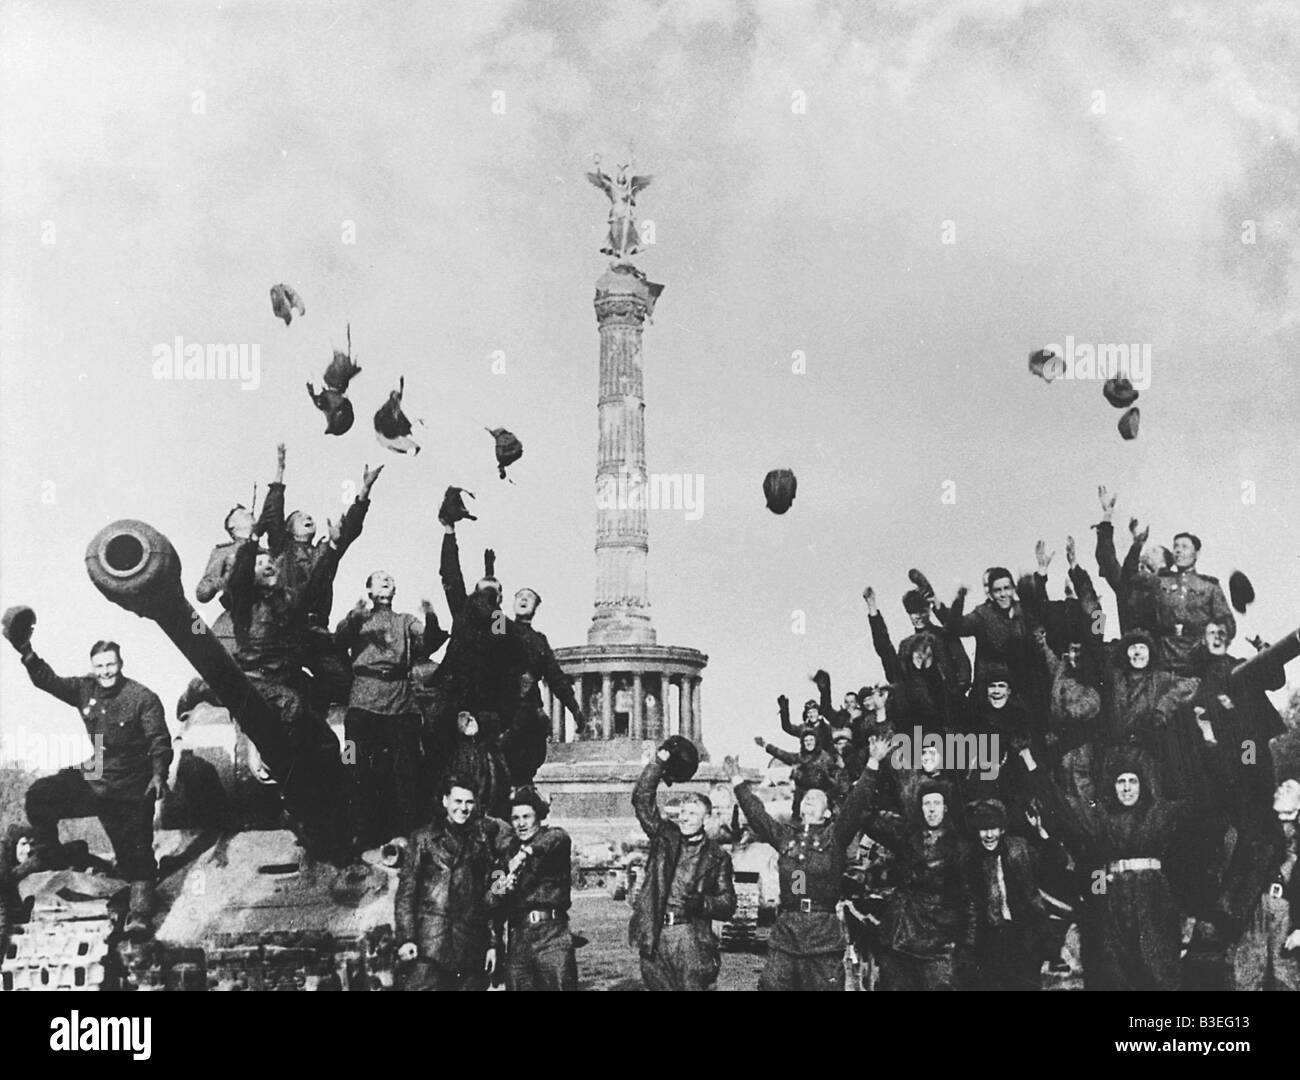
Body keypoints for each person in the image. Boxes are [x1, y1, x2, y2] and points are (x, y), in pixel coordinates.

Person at [6, 631, 171, 934]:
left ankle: (139, 914)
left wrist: (160, 774)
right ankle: (48, 854)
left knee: (136, 855)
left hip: (132, 784)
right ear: (92, 667)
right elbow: (48, 681)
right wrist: (26, 651)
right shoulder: (86, 688)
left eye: (111, 665)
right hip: (96, 774)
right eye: (100, 666)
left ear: (120, 664)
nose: (105, 672)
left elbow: (160, 741)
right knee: (41, 795)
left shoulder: (142, 698)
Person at [1022, 745, 1191, 990]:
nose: (1126, 788)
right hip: (1113, 901)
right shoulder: (1101, 816)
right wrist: (1030, 764)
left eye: (1133, 781)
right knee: (1114, 970)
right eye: (1120, 781)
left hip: (1153, 899)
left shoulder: (1160, 813)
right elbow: (1062, 805)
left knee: (1158, 966)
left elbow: (1196, 799)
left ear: (1143, 784)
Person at [334, 573, 448, 849]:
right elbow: (339, 640)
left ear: (395, 589)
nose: (386, 582)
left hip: (399, 699)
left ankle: (406, 831)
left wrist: (431, 616)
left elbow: (429, 642)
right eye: (380, 579)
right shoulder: (358, 617)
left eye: (390, 579)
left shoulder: (406, 621)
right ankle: (360, 830)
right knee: (353, 761)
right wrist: (354, 616)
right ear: (369, 589)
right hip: (363, 699)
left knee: (406, 768)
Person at [732, 775, 875, 990]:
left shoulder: (835, 837)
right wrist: (737, 783)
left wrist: (872, 766)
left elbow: (854, 806)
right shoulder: (785, 836)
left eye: (816, 798)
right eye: (806, 797)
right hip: (786, 933)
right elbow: (757, 815)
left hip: (822, 936)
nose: (809, 799)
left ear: (827, 813)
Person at [856, 735, 976, 990]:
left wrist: (967, 945)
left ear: (946, 808)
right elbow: (866, 817)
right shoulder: (906, 835)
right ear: (920, 808)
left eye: (937, 804)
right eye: (927, 804)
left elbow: (970, 899)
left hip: (939, 940)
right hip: (901, 934)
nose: (931, 809)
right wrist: (873, 767)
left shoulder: (960, 847)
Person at [630, 743, 736, 991]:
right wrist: (659, 761)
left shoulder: (717, 857)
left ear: (706, 819)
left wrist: (703, 903)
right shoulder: (665, 838)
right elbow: (641, 800)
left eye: (692, 813)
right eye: (683, 813)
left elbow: (728, 903)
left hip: (691, 937)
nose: (685, 818)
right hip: (656, 935)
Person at [395, 776, 509, 991]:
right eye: (458, 801)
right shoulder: (423, 839)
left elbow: (492, 897)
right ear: (445, 801)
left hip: (471, 946)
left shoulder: (483, 841)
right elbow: (406, 893)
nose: (463, 808)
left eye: (469, 802)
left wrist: (493, 944)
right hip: (430, 946)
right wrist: (406, 938)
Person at [489, 786, 578, 991]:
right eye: (515, 818)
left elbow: (555, 840)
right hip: (519, 939)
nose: (521, 823)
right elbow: (492, 895)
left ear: (538, 817)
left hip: (553, 936)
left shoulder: (554, 838)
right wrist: (500, 888)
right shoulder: (505, 852)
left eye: (527, 816)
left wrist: (525, 854)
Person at [963, 798, 1047, 990]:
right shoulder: (970, 860)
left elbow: (1053, 865)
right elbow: (969, 904)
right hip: (990, 938)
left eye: (994, 828)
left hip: (1022, 934)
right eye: (983, 829)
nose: (989, 835)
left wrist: (1041, 833)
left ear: (1002, 830)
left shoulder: (1019, 849)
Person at [506, 587, 585, 782]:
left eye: (529, 598)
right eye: (519, 597)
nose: (523, 600)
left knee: (534, 747)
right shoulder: (503, 624)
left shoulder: (540, 640)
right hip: (505, 705)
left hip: (529, 710)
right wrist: (489, 570)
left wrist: (574, 709)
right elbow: (491, 635)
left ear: (535, 607)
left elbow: (556, 678)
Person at [1230, 780, 1300, 991]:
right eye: (1279, 787)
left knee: (1286, 977)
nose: (1280, 790)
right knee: (1246, 974)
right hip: (1258, 909)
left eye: (1289, 789)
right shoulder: (1262, 834)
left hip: (1289, 914)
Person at [1154, 531, 1236, 676]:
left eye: (1185, 547)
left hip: (1198, 658)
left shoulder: (1209, 586)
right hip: (1166, 655)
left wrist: (1210, 643)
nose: (1178, 550)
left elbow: (1227, 624)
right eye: (1175, 547)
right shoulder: (1161, 582)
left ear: (1196, 554)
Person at [1091, 487, 1164, 636]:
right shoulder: (1129, 586)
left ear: (1164, 563)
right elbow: (1107, 559)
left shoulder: (1168, 589)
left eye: (1155, 551)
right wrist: (1106, 517)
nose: (1149, 551)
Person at [754, 727, 837, 821]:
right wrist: (766, 745)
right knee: (797, 821)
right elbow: (782, 754)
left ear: (816, 741)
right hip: (801, 796)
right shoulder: (799, 757)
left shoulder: (825, 757)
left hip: (819, 797)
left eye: (811, 740)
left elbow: (834, 779)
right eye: (806, 740)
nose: (809, 743)